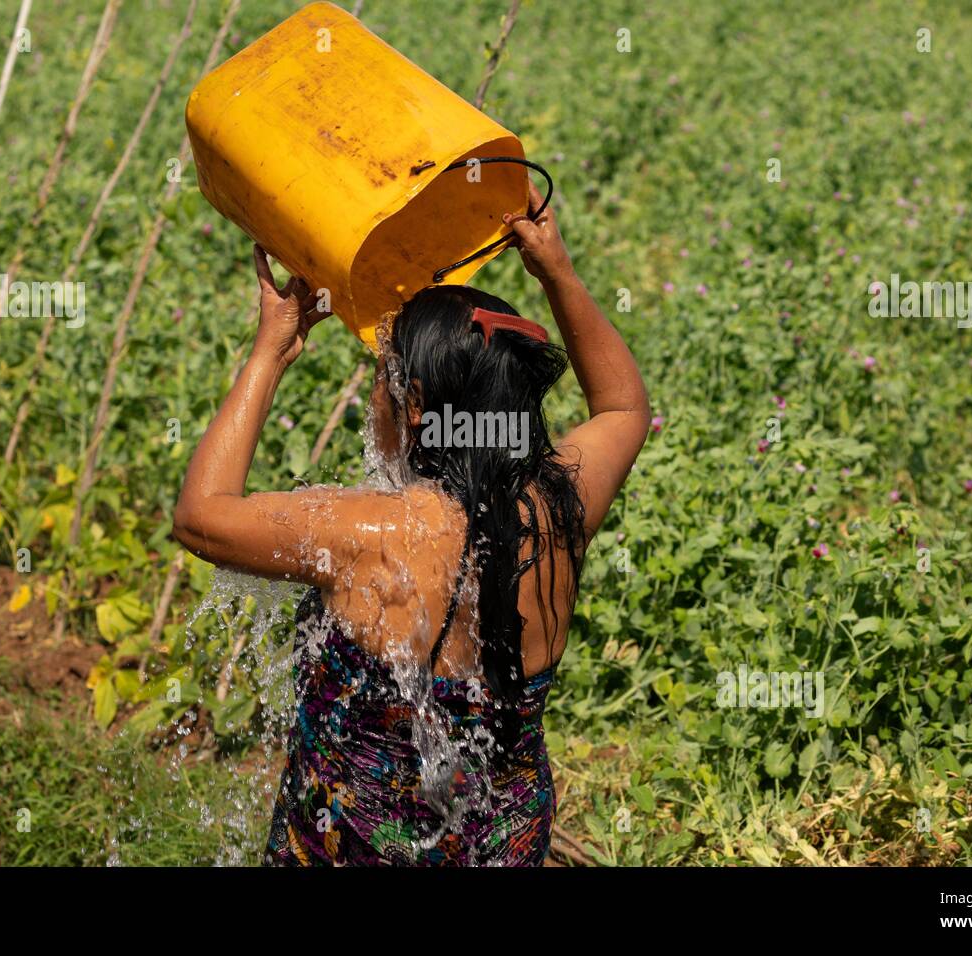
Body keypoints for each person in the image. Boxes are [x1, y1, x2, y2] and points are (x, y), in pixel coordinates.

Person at [172, 182, 649, 865]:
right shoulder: (559, 504)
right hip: (504, 841)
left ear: (416, 405)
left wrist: (269, 352)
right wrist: (558, 273)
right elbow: (625, 409)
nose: (376, 390)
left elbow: (199, 518)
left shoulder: (361, 535)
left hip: (356, 848)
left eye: (382, 371)